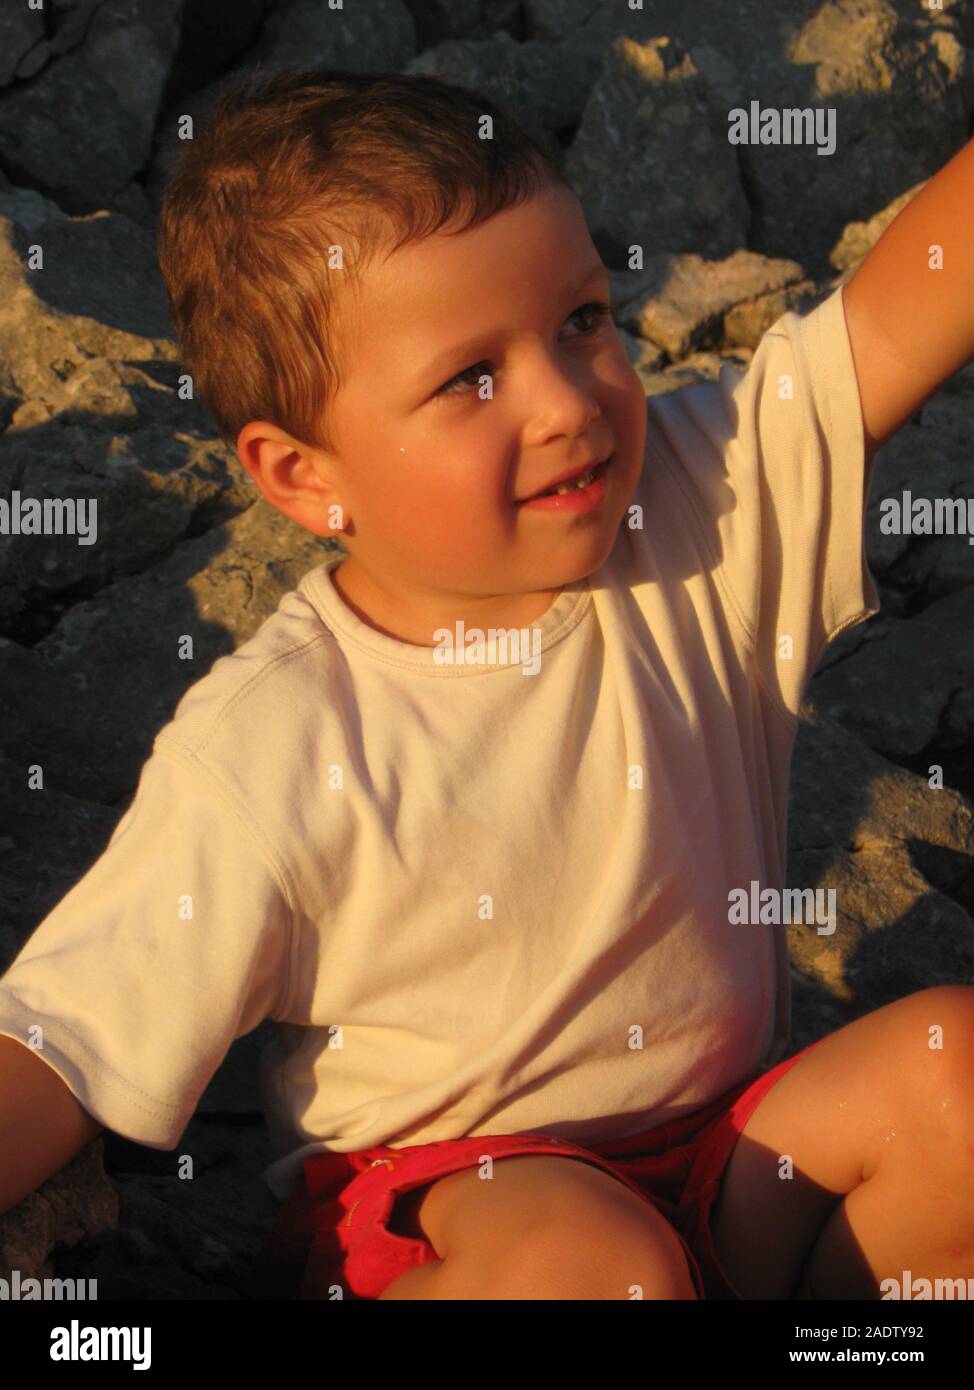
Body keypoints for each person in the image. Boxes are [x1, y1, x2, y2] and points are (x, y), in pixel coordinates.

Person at [2, 69, 973, 1302]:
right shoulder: (275, 745)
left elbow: (896, 319)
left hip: (725, 1151)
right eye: (469, 378)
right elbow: (65, 1043)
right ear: (303, 477)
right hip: (462, 1216)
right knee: (596, 1264)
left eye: (580, 320)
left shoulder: (696, 507)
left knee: (953, 1078)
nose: (568, 403)